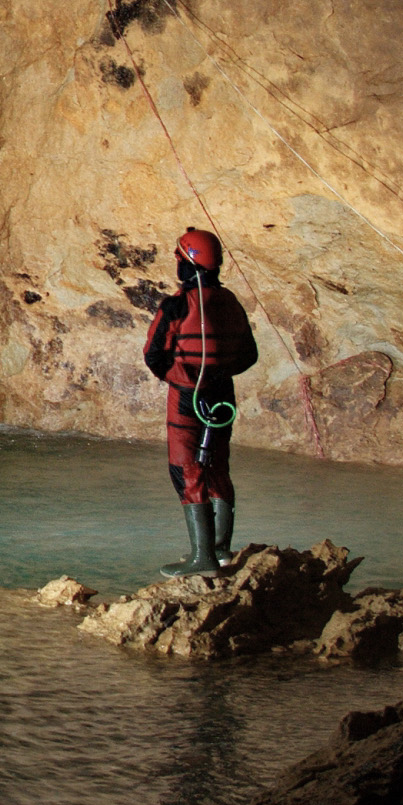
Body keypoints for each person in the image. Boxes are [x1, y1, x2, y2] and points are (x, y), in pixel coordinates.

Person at [142, 227, 258, 577]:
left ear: (185, 262)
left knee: (187, 468)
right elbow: (249, 355)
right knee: (217, 466)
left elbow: (154, 355)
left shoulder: (176, 305)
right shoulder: (231, 302)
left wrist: (184, 377)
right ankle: (221, 551)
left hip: (187, 397)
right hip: (222, 395)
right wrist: (219, 374)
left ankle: (202, 558)